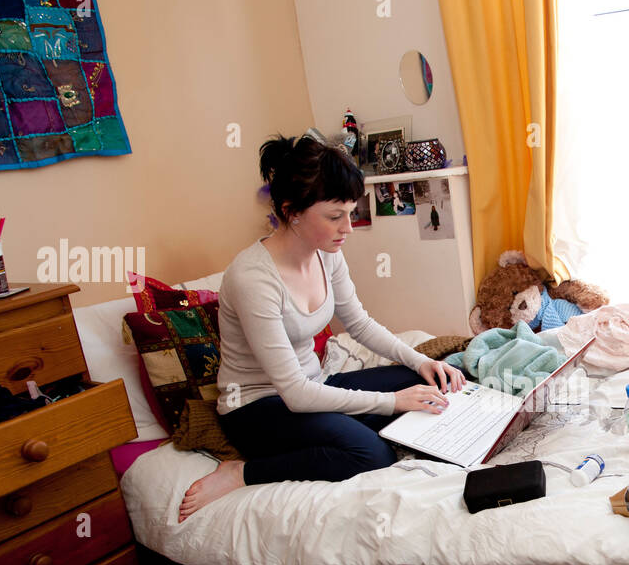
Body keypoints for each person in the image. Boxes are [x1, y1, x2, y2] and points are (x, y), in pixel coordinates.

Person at [179, 135, 464, 522]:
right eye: (335, 216)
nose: (347, 227)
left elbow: (359, 323)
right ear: (291, 211)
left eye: (350, 212)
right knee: (371, 454)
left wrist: (419, 361)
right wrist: (391, 403)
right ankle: (241, 472)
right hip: (259, 409)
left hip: (317, 387)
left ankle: (355, 421)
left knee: (429, 386)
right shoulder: (252, 279)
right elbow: (294, 394)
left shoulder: (326, 254)